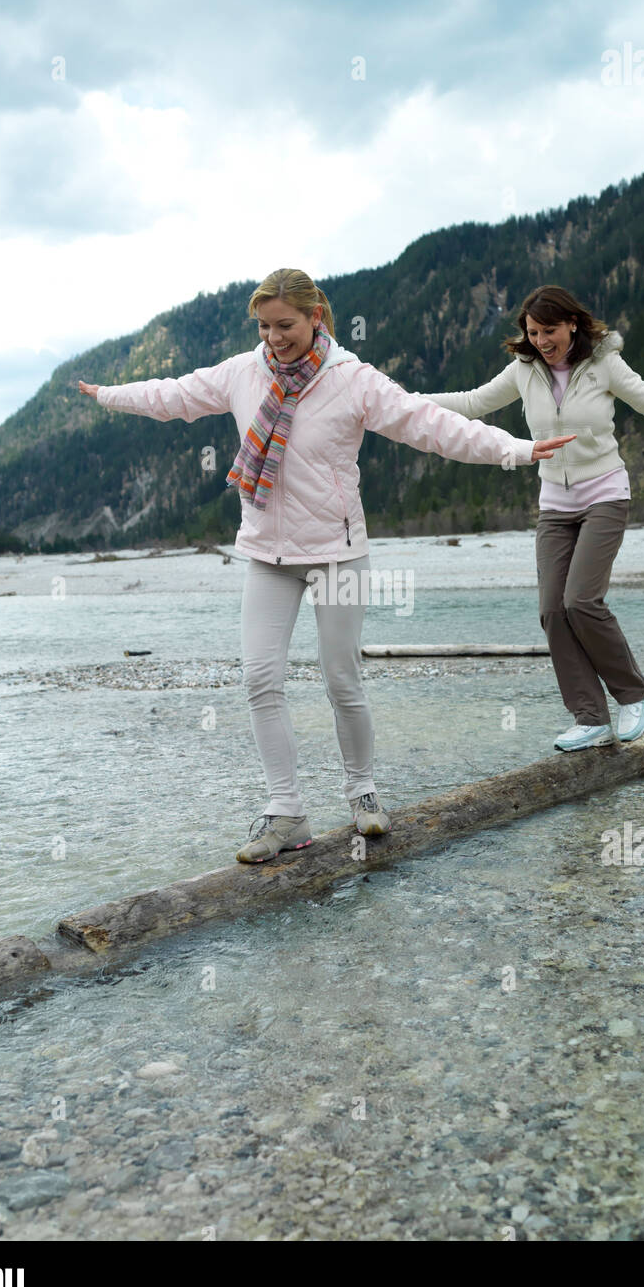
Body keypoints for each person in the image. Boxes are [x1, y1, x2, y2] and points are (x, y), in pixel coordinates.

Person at [78, 268, 573, 861]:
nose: (274, 338)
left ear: (316, 319)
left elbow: (429, 425)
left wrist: (513, 449)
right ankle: (285, 812)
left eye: (285, 325)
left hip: (338, 554)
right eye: (264, 326)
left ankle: (362, 792)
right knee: (259, 679)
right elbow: (175, 395)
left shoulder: (352, 380)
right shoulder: (244, 372)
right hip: (267, 553)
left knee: (341, 678)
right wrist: (110, 395)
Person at [425, 284, 644, 752]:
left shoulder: (605, 364)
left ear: (572, 324)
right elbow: (470, 403)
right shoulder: (523, 370)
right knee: (552, 610)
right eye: (533, 333)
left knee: (581, 602)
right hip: (554, 506)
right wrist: (398, 400)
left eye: (549, 331)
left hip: (605, 496)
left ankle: (634, 695)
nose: (542, 341)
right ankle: (590, 717)